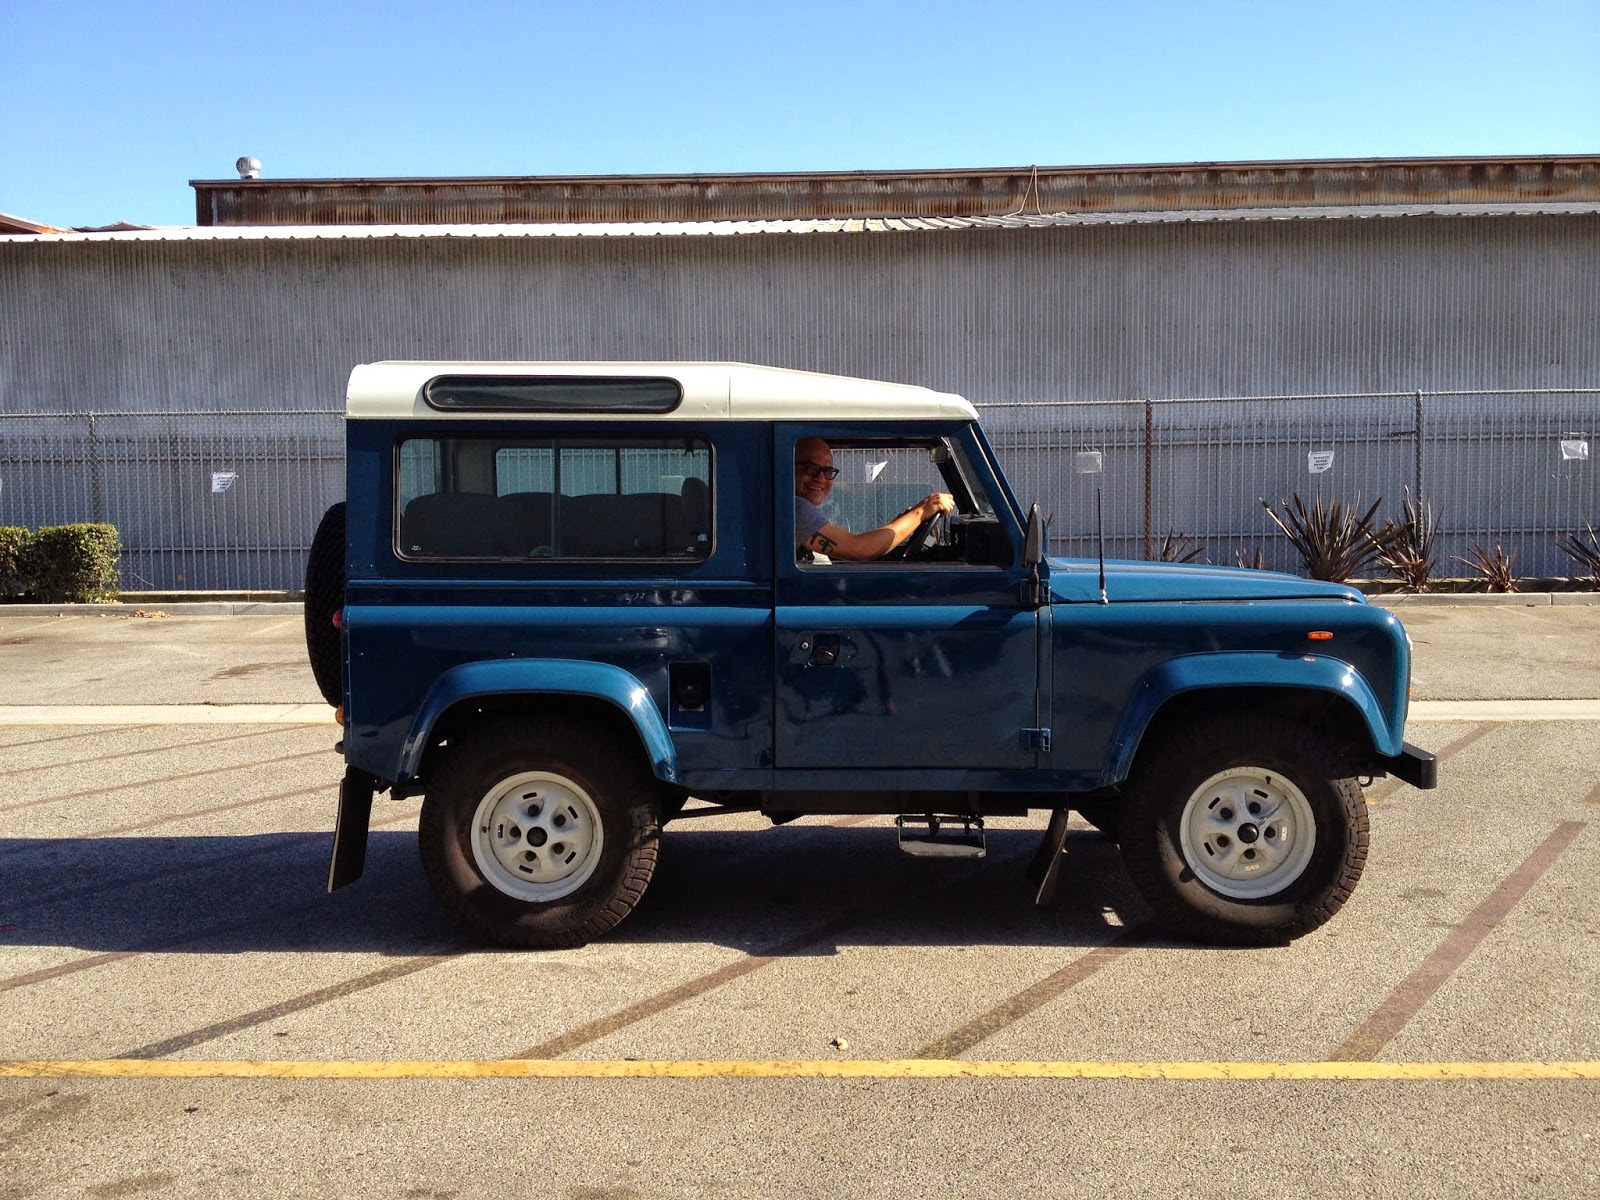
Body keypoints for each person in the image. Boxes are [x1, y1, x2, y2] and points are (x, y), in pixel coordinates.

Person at [794, 437, 955, 561]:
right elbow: (860, 549)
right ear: (788, 466)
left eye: (828, 471)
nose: (820, 478)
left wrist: (908, 520)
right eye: (812, 469)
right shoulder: (793, 509)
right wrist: (921, 512)